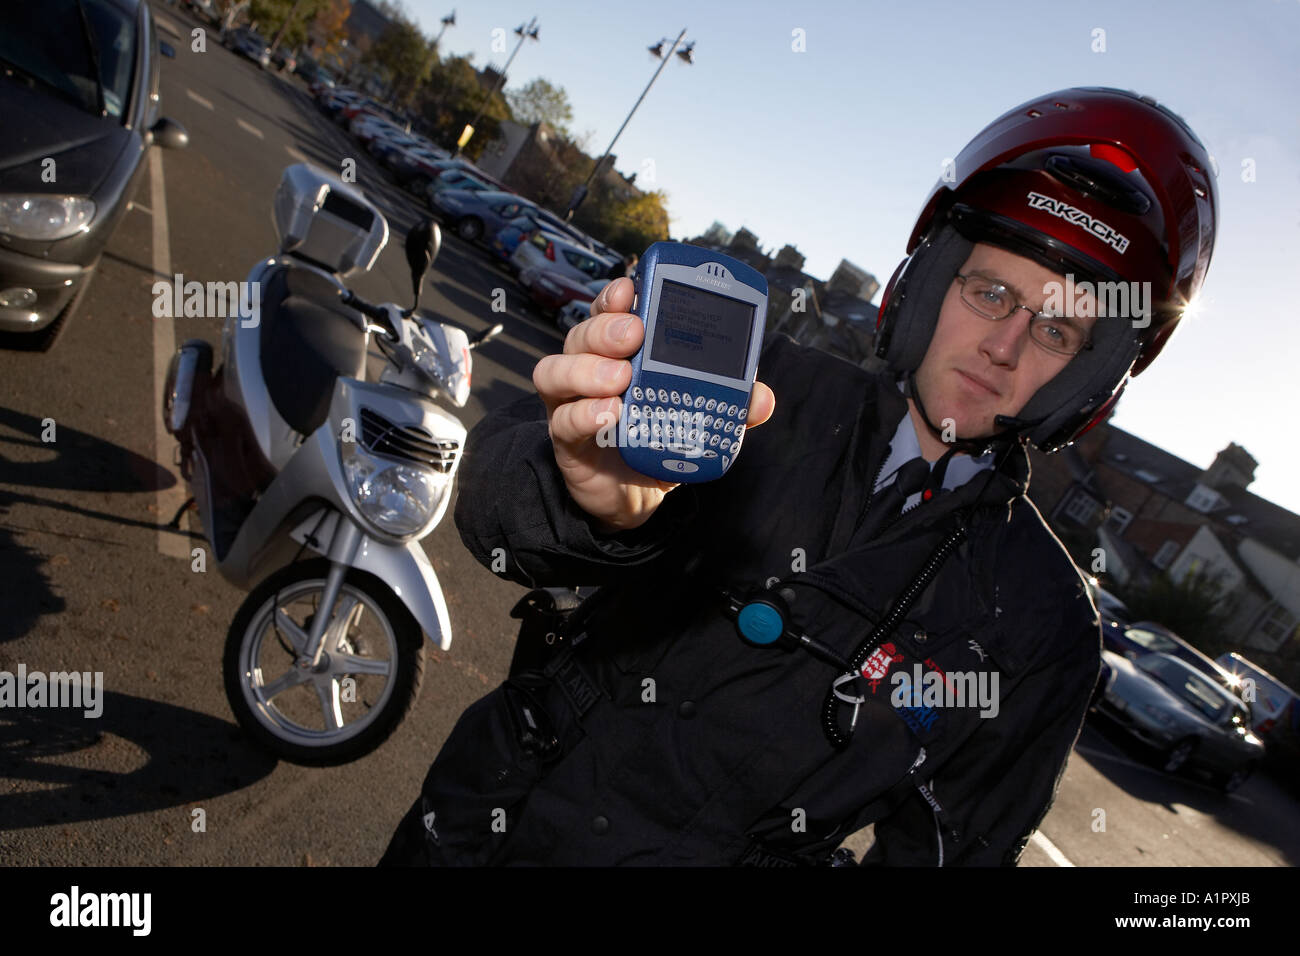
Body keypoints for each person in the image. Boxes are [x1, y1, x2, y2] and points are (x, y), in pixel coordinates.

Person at [380, 87, 1218, 866]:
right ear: (925, 286)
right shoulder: (757, 386)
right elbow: (490, 513)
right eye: (991, 292)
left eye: (1058, 331)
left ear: (1088, 383)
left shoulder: (1045, 626)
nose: (1004, 346)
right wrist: (579, 498)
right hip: (484, 835)